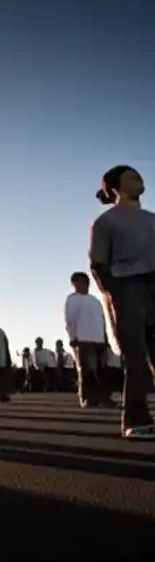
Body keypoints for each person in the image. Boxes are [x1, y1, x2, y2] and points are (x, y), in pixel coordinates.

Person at [89, 165, 155, 439]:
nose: (138, 180)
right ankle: (136, 419)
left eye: (139, 176)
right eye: (130, 177)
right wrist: (112, 294)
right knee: (135, 356)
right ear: (115, 187)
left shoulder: (152, 219)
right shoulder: (106, 222)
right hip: (127, 287)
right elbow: (98, 264)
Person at [64, 271, 112, 409]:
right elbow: (70, 320)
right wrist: (72, 337)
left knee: (102, 371)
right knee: (87, 370)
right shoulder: (72, 299)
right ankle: (88, 398)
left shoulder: (95, 300)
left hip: (99, 339)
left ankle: (103, 398)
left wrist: (105, 338)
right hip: (83, 339)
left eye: (82, 281)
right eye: (76, 282)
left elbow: (102, 321)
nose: (80, 285)